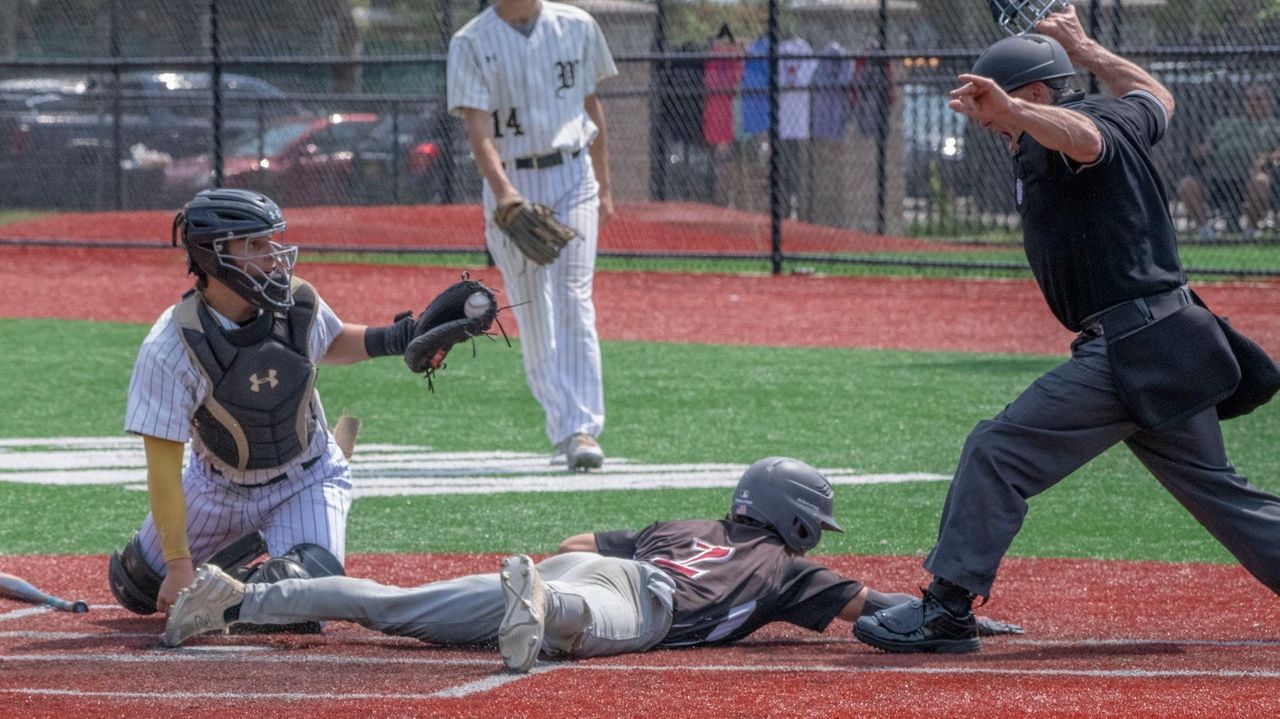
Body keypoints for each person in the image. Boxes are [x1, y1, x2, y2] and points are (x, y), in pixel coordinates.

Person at [855, 5, 1280, 655]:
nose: (997, 128)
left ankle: (945, 612)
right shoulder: (1119, 112)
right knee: (1227, 500)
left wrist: (1020, 113)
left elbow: (1083, 138)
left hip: (1133, 346)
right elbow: (1154, 95)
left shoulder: (1074, 135)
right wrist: (1087, 48)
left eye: (1000, 112)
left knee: (997, 451)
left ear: (1032, 94)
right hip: (1172, 342)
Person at [161, 457, 1022, 670]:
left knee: (392, 604)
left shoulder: (679, 520)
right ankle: (539, 608)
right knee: (608, 626)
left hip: (575, 568)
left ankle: (236, 601)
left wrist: (552, 570)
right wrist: (965, 616)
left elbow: (580, 544)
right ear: (795, 521)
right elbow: (877, 615)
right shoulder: (786, 569)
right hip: (638, 603)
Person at [109, 188, 435, 620]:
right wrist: (178, 567)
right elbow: (164, 470)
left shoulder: (296, 302)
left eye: (272, 242)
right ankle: (239, 568)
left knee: (302, 599)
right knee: (137, 587)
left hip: (306, 479)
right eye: (255, 245)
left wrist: (398, 337)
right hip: (215, 489)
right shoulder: (170, 347)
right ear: (213, 255)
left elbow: (331, 341)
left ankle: (262, 579)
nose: (274, 257)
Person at [447, 0, 615, 471]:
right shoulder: (471, 42)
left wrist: (604, 186)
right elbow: (477, 129)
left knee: (573, 295)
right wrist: (504, 193)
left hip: (573, 174)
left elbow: (591, 105)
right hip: (514, 179)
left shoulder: (577, 25)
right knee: (531, 305)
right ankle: (562, 423)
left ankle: (581, 427)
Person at [1176, 83, 1280, 241]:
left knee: (1261, 182)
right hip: (1218, 178)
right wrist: (1203, 151)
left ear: (1269, 102)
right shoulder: (1227, 125)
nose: (1252, 103)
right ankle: (1206, 232)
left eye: (1258, 99)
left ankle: (1250, 233)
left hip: (1251, 177)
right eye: (1248, 99)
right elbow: (1207, 146)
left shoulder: (1274, 126)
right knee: (1187, 185)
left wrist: (1266, 159)